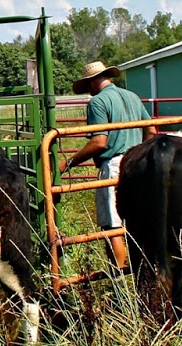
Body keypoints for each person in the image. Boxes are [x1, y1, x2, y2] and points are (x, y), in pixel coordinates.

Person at [60, 60, 156, 232]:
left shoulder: (97, 102)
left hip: (114, 165)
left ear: (92, 82)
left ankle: (117, 261)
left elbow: (98, 142)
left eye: (87, 86)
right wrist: (142, 152)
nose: (89, 92)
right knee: (138, 221)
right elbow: (151, 130)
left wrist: (68, 163)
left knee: (113, 225)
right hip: (138, 163)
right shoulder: (132, 96)